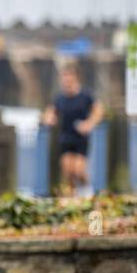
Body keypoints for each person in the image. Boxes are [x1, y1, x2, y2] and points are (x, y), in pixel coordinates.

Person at [42, 61, 103, 195]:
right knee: (68, 172)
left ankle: (88, 191)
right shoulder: (59, 98)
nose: (66, 80)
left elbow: (98, 111)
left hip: (81, 138)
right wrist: (48, 119)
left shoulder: (85, 95)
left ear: (76, 77)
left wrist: (89, 123)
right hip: (65, 138)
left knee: (78, 170)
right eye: (64, 77)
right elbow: (50, 112)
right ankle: (72, 198)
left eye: (69, 77)